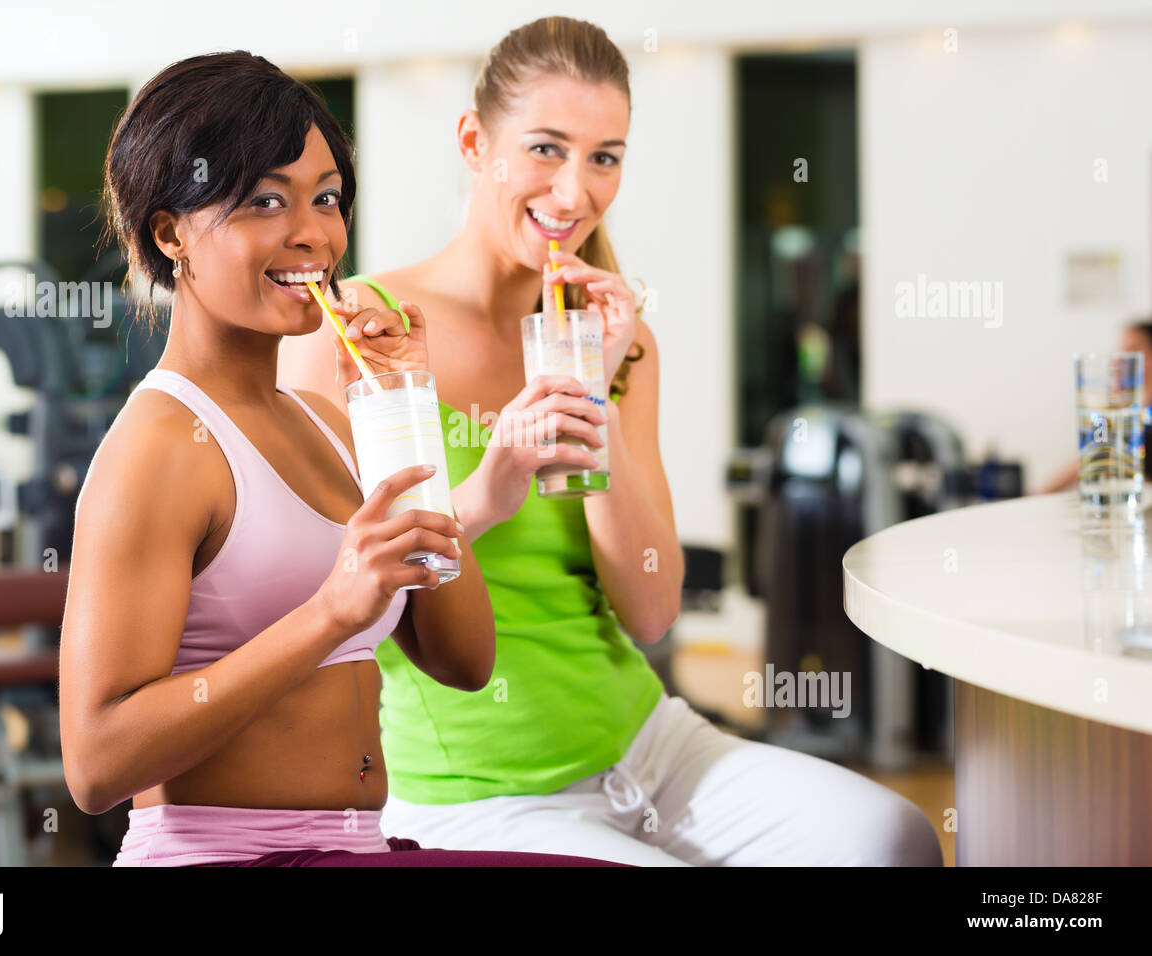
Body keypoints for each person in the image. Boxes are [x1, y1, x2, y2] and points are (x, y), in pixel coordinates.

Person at [280, 18, 943, 866]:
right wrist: (490, 486)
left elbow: (654, 607)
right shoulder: (358, 332)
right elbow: (330, 593)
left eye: (604, 156)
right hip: (482, 791)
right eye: (547, 149)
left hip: (649, 747)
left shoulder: (617, 338)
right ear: (475, 141)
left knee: (893, 837)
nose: (573, 192)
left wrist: (600, 387)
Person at [58, 50, 625, 867]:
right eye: (263, 201)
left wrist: (408, 411)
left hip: (358, 846)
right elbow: (95, 764)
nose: (313, 233)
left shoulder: (330, 422)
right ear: (169, 232)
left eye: (326, 198)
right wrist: (332, 611)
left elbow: (465, 661)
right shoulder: (158, 447)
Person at [1038, 318, 1152, 494]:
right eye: (1121, 352)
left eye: (1133, 351)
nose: (1122, 361)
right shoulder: (1119, 410)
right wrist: (1036, 494)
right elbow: (1089, 457)